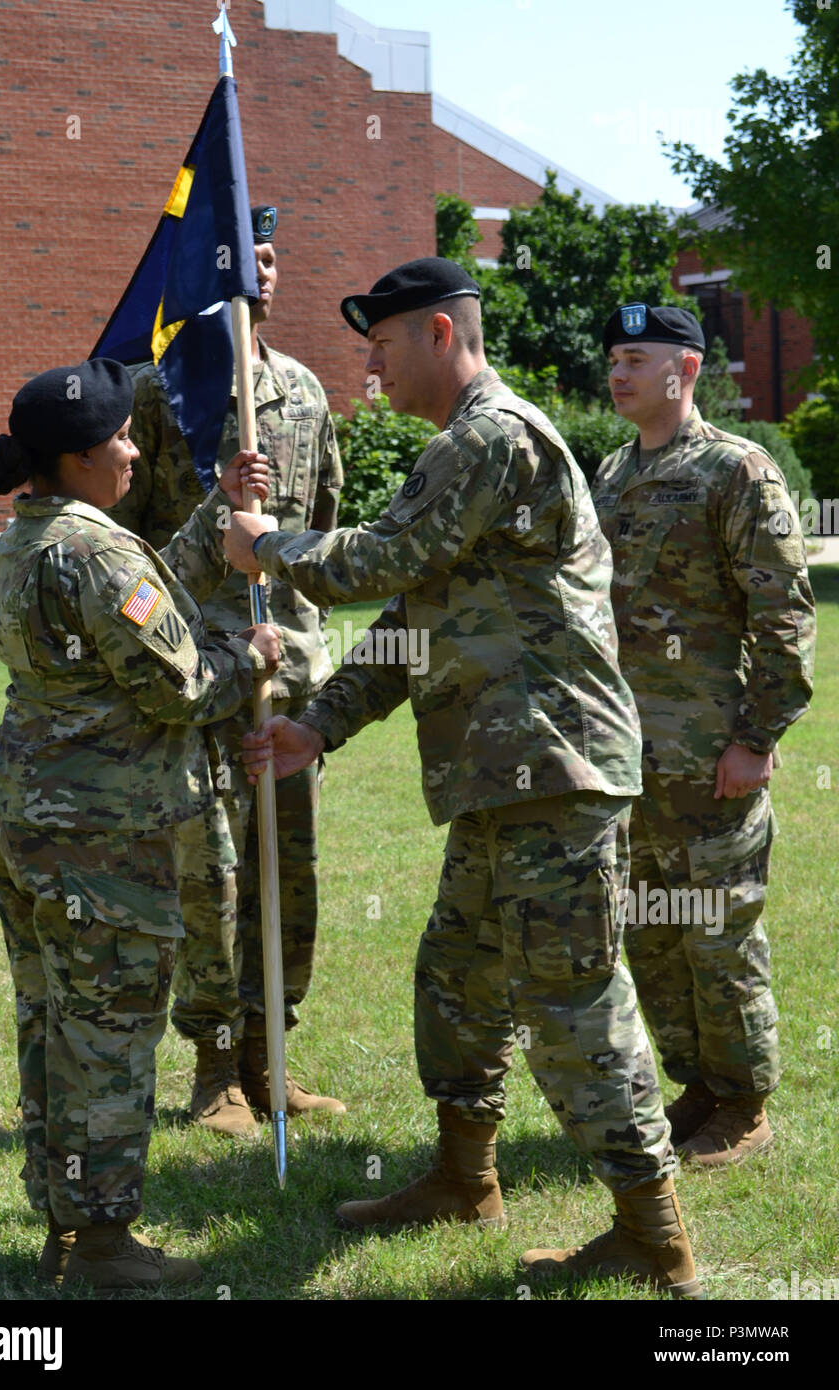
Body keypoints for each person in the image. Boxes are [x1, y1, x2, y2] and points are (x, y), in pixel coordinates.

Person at [223, 258, 704, 1299]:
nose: (369, 364)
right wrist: (316, 725)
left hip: (552, 767)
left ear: (440, 333)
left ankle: (653, 1233)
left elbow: (375, 563)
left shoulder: (494, 437)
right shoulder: (460, 450)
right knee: (455, 984)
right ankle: (463, 1176)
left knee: (572, 1000)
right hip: (504, 775)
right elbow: (411, 621)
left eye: (383, 342)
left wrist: (271, 547)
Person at [0, 358, 279, 1291]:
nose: (136, 450)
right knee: (112, 1036)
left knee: (52, 1026)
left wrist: (210, 513)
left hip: (21, 815)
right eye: (120, 439)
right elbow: (180, 684)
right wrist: (249, 655)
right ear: (75, 457)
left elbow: (146, 608)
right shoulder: (98, 552)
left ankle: (64, 1223)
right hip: (98, 836)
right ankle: (105, 1243)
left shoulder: (18, 542)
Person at [109, 205, 345, 1137]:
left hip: (289, 681)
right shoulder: (156, 394)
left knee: (292, 873)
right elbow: (127, 558)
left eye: (276, 257)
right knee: (212, 878)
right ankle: (213, 1068)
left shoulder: (306, 392)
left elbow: (319, 529)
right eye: (246, 258)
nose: (265, 273)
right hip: (203, 677)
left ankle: (269, 1052)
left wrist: (304, 635)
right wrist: (217, 512)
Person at [592, 303, 815, 1166]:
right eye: (613, 357)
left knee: (720, 934)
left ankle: (747, 1102)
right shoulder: (611, 473)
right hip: (627, 756)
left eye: (636, 359)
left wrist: (756, 740)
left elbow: (786, 617)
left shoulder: (737, 470)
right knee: (651, 929)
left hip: (712, 756)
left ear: (683, 372)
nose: (618, 373)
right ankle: (699, 1085)